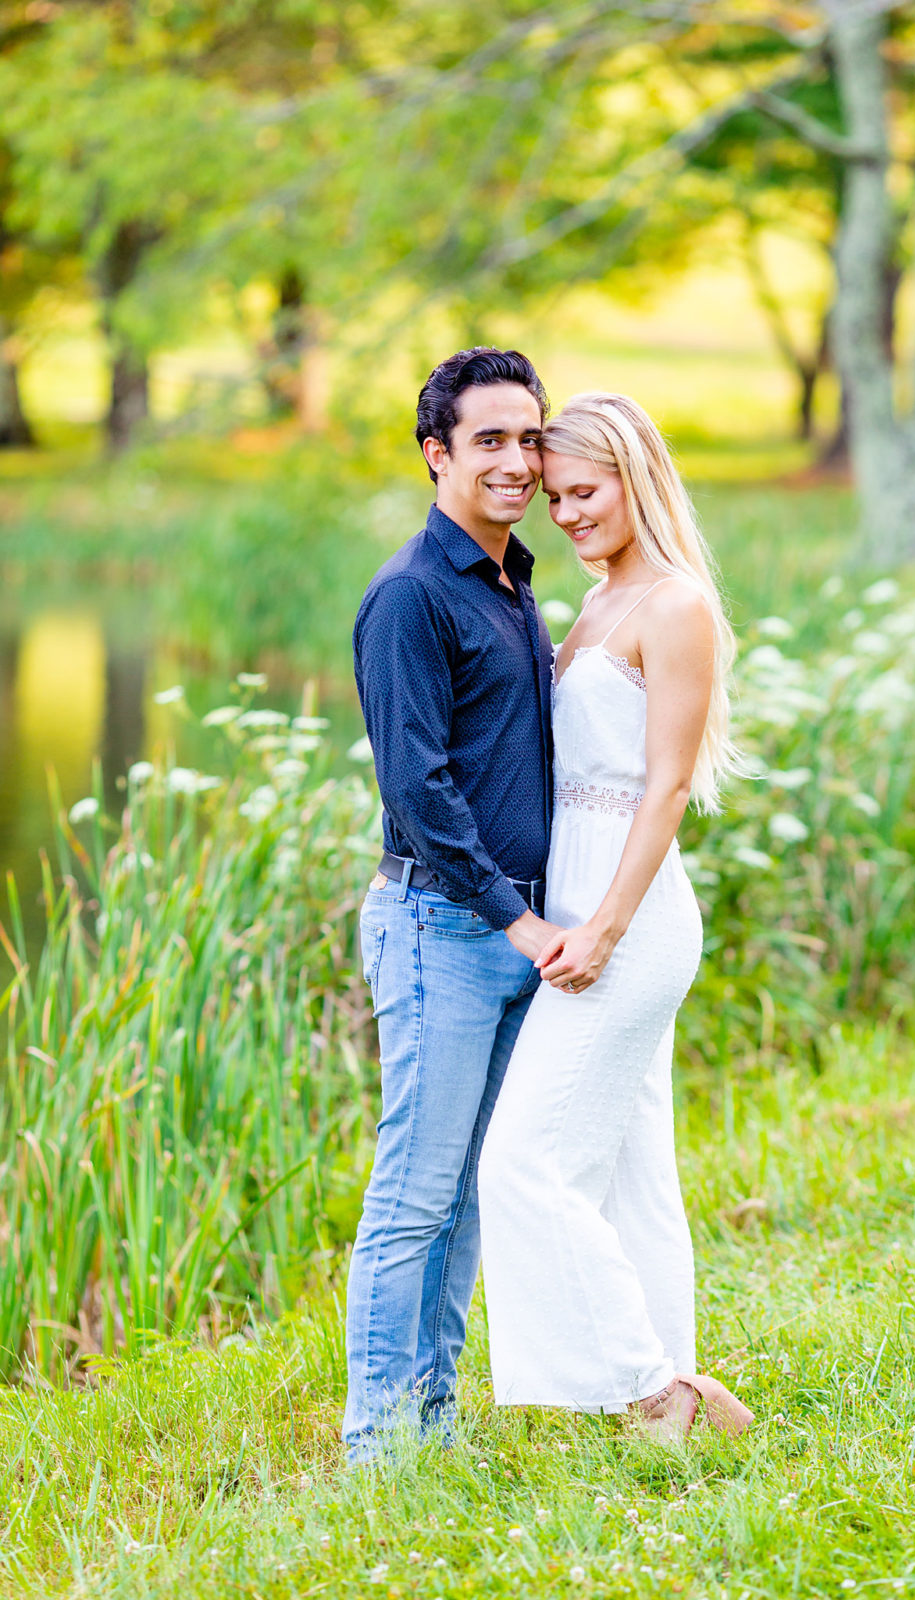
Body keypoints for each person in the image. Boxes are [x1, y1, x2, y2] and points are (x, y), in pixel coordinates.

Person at [477, 392, 754, 1442]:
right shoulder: (595, 599)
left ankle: (650, 1384)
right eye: (554, 497)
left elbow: (666, 789)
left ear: (634, 477)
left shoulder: (672, 604)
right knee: (636, 1165)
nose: (566, 513)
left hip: (627, 912)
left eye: (584, 492)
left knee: (523, 1162)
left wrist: (600, 926)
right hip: (578, 894)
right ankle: (670, 1388)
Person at [342, 347, 563, 1465]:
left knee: (466, 1196)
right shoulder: (411, 596)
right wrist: (516, 919)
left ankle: (432, 1421)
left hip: (507, 931)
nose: (517, 460)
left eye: (529, 437)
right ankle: (379, 1449)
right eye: (490, 439)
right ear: (437, 453)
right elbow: (417, 791)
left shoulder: (512, 584)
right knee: (412, 1197)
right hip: (443, 927)